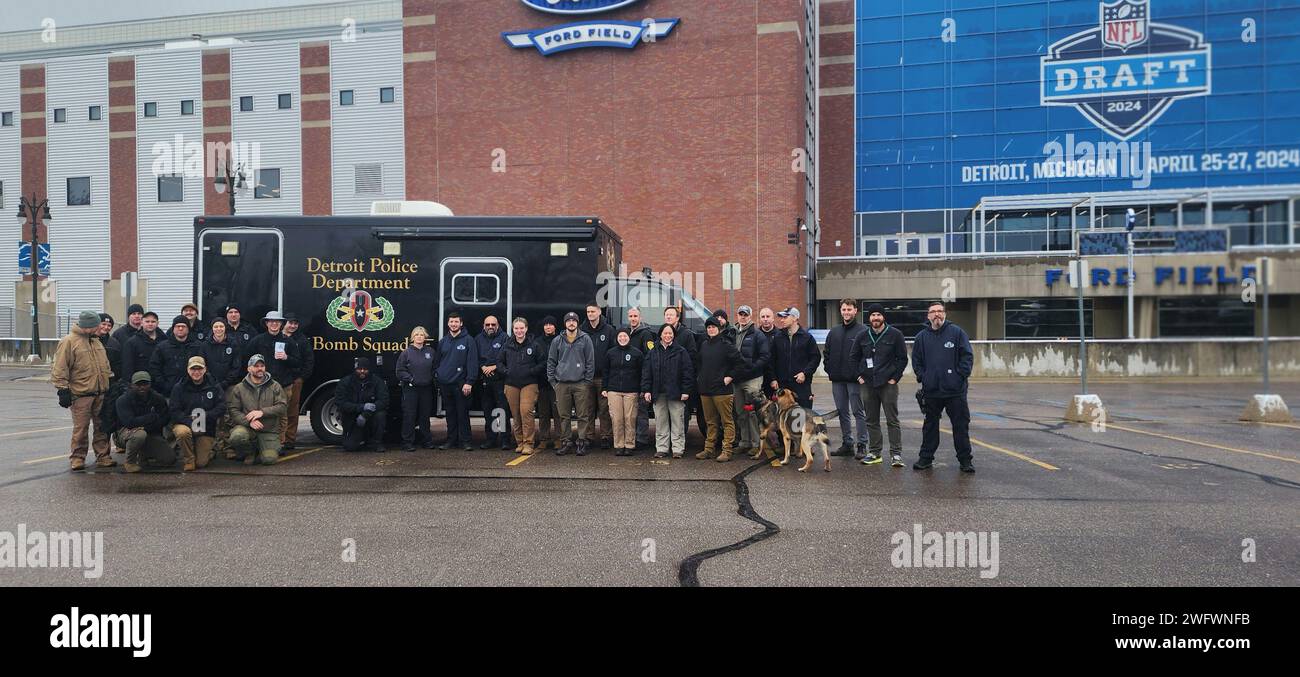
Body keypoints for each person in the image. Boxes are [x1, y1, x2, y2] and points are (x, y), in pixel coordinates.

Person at [911, 301, 975, 473]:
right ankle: (925, 459)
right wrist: (923, 377)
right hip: (932, 391)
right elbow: (916, 360)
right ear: (928, 316)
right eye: (933, 312)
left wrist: (959, 376)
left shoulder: (957, 333)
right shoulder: (921, 337)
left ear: (945, 314)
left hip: (955, 391)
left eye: (940, 311)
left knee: (960, 426)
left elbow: (967, 357)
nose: (937, 314)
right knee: (930, 427)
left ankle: (965, 460)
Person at [52, 311, 114, 471]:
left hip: (100, 392)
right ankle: (77, 458)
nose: (99, 327)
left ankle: (103, 456)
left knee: (102, 427)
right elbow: (60, 367)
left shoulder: (97, 341)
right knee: (81, 428)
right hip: (81, 394)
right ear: (88, 325)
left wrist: (109, 381)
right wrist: (62, 389)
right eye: (96, 325)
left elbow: (105, 365)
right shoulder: (69, 342)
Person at [854, 303, 909, 467]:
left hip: (888, 384)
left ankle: (896, 455)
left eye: (878, 314)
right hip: (868, 384)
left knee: (892, 420)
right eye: (872, 315)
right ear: (869, 318)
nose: (875, 318)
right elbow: (853, 358)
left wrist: (894, 378)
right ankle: (875, 452)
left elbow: (902, 359)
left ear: (883, 317)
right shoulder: (862, 336)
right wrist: (859, 376)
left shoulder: (895, 335)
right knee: (871, 420)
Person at [696, 315, 751, 462]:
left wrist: (729, 377)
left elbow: (740, 363)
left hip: (722, 391)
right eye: (708, 327)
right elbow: (699, 364)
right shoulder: (704, 345)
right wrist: (700, 379)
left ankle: (727, 450)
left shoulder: (726, 345)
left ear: (719, 329)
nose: (711, 329)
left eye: (713, 327)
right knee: (710, 422)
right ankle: (709, 449)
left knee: (727, 421)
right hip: (706, 390)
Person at [641, 323, 694, 459]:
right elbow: (647, 372)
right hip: (658, 393)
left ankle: (678, 449)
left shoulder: (681, 351)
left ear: (674, 335)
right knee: (660, 422)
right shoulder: (653, 352)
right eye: (665, 333)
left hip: (676, 393)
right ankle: (662, 448)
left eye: (670, 333)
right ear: (660, 335)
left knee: (678, 422)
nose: (668, 335)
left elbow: (688, 372)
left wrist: (686, 390)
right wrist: (646, 390)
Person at [824, 298, 868, 458]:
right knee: (843, 412)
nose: (846, 312)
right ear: (840, 311)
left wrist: (861, 374)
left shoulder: (863, 331)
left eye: (849, 309)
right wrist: (829, 369)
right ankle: (847, 444)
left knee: (858, 412)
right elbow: (827, 353)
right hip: (837, 379)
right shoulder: (834, 331)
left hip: (855, 380)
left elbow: (867, 355)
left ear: (855, 311)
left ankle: (862, 444)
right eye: (844, 309)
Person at [547, 311, 595, 456]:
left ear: (577, 323)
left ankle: (581, 442)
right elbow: (551, 362)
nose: (571, 323)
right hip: (561, 384)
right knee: (564, 416)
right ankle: (566, 442)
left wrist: (587, 382)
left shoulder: (585, 339)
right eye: (569, 321)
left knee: (582, 415)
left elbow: (590, 362)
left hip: (580, 384)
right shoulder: (557, 340)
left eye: (574, 321)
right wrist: (553, 381)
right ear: (565, 323)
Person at [166, 356, 225, 471]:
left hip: (206, 427)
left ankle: (208, 450)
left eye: (199, 369)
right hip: (185, 423)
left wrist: (204, 416)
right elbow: (174, 411)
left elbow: (222, 406)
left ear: (205, 369)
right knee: (182, 433)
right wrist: (190, 422)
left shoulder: (214, 386)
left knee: (202, 463)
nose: (196, 372)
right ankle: (189, 459)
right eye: (193, 369)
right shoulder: (179, 387)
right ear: (188, 370)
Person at [225, 354, 286, 466]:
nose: (259, 368)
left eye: (262, 366)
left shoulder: (275, 386)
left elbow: (282, 406)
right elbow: (233, 410)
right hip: (247, 428)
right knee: (237, 436)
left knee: (269, 460)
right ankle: (250, 452)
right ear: (249, 369)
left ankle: (261, 449)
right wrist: (249, 421)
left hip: (268, 430)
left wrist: (262, 412)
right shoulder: (239, 388)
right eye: (256, 366)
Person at [497, 318, 545, 455]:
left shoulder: (534, 345)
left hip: (529, 384)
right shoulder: (507, 345)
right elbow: (499, 362)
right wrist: (507, 372)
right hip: (511, 384)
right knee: (516, 414)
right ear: (513, 330)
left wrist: (531, 372)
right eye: (516, 328)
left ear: (526, 329)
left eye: (521, 328)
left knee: (526, 412)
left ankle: (529, 443)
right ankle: (520, 443)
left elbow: (542, 363)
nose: (519, 331)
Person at [115, 371, 175, 472]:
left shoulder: (158, 398)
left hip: (149, 432)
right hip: (125, 432)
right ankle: (130, 462)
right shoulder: (123, 400)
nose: (142, 387)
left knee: (169, 459)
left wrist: (146, 426)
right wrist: (151, 417)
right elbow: (129, 422)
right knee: (139, 435)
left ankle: (143, 454)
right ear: (131, 385)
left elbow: (165, 419)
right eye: (138, 384)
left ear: (150, 384)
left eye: (145, 384)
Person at [730, 305, 770, 456]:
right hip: (737, 380)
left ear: (750, 316)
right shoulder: (732, 332)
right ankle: (744, 442)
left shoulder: (758, 335)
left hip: (753, 379)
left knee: (753, 413)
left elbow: (765, 356)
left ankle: (755, 443)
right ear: (737, 315)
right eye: (740, 314)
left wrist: (752, 368)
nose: (743, 317)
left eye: (745, 314)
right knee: (740, 412)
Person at [436, 311, 478, 450]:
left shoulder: (468, 340)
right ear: (448, 323)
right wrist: (439, 377)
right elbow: (437, 362)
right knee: (450, 414)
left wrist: (469, 382)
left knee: (462, 414)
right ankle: (451, 440)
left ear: (461, 323)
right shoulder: (443, 342)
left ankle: (466, 441)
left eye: (456, 322)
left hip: (461, 385)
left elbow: (472, 363)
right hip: (445, 384)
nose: (453, 324)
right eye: (451, 322)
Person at [580, 303, 617, 449]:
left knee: (604, 409)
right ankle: (588, 437)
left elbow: (613, 353)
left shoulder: (609, 330)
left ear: (599, 312)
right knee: (588, 408)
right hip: (586, 377)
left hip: (603, 377)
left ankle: (605, 437)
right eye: (588, 311)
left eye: (593, 311)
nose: (590, 314)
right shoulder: (582, 330)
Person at [602, 327, 643, 456]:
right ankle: (619, 445)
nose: (622, 338)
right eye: (620, 336)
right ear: (617, 338)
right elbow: (606, 372)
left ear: (629, 338)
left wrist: (642, 389)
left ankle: (629, 445)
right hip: (614, 391)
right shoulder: (610, 353)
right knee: (617, 419)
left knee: (629, 418)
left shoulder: (637, 353)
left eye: (625, 336)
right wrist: (605, 388)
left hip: (631, 391)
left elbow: (642, 372)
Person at [396, 326, 437, 451]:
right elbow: (399, 371)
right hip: (411, 389)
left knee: (425, 416)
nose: (419, 337)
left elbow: (435, 368)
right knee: (410, 416)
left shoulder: (430, 352)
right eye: (417, 335)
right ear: (412, 337)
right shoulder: (406, 353)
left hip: (426, 389)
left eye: (421, 335)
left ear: (425, 337)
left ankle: (427, 441)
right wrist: (411, 379)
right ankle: (407, 442)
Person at [769, 307, 820, 408]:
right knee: (784, 418)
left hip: (801, 385)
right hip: (782, 385)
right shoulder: (778, 337)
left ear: (795, 318)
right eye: (781, 317)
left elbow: (815, 358)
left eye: (785, 317)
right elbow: (771, 360)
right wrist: (773, 378)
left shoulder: (807, 337)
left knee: (800, 418)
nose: (782, 320)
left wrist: (805, 373)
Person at [335, 356, 389, 452]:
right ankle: (360, 439)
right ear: (355, 369)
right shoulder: (345, 382)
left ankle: (377, 442)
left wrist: (365, 414)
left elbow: (384, 400)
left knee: (380, 415)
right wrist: (361, 407)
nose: (362, 371)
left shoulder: (377, 382)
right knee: (350, 447)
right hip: (353, 417)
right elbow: (341, 403)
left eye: (365, 369)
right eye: (360, 369)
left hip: (370, 415)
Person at [475, 315, 512, 450]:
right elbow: (475, 357)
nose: (490, 327)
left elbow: (508, 357)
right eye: (487, 325)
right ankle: (490, 439)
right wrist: (482, 366)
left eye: (493, 324)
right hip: (484, 381)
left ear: (497, 325)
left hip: (500, 380)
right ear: (483, 326)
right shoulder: (478, 339)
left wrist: (494, 367)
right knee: (488, 411)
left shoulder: (504, 338)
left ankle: (504, 440)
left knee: (501, 411)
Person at [149, 315, 205, 397]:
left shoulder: (198, 346)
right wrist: (164, 385)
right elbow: (154, 368)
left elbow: (204, 367)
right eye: (177, 326)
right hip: (168, 393)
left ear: (188, 329)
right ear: (173, 329)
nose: (180, 329)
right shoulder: (162, 347)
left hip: (193, 392)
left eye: (183, 326)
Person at [281, 312, 314, 450]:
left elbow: (309, 359)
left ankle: (289, 439)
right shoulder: (277, 337)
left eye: (295, 323)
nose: (293, 326)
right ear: (284, 323)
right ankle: (277, 439)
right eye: (290, 323)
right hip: (278, 379)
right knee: (277, 410)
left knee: (292, 411)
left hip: (294, 379)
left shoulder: (301, 340)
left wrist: (302, 377)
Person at [626, 307, 657, 449]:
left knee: (641, 412)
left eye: (635, 316)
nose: (633, 318)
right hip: (629, 380)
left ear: (640, 317)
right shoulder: (625, 333)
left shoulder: (646, 334)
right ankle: (631, 438)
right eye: (631, 316)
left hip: (641, 379)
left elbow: (649, 356)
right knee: (630, 412)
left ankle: (642, 440)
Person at [534, 316, 560, 451]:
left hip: (557, 383)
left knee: (558, 413)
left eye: (551, 324)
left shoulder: (561, 340)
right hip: (542, 383)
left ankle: (558, 440)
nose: (548, 327)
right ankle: (543, 439)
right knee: (543, 413)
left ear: (555, 326)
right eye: (546, 325)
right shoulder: (537, 342)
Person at [121, 311, 162, 383]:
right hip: (140, 386)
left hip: (160, 385)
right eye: (147, 321)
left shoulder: (164, 340)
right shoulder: (132, 343)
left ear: (157, 323)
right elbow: (127, 369)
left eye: (153, 321)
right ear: (142, 323)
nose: (150, 324)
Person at [757, 307, 779, 398]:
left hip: (776, 378)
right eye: (763, 317)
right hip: (759, 377)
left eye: (768, 316)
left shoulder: (780, 335)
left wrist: (774, 378)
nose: (765, 319)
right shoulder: (755, 335)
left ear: (773, 318)